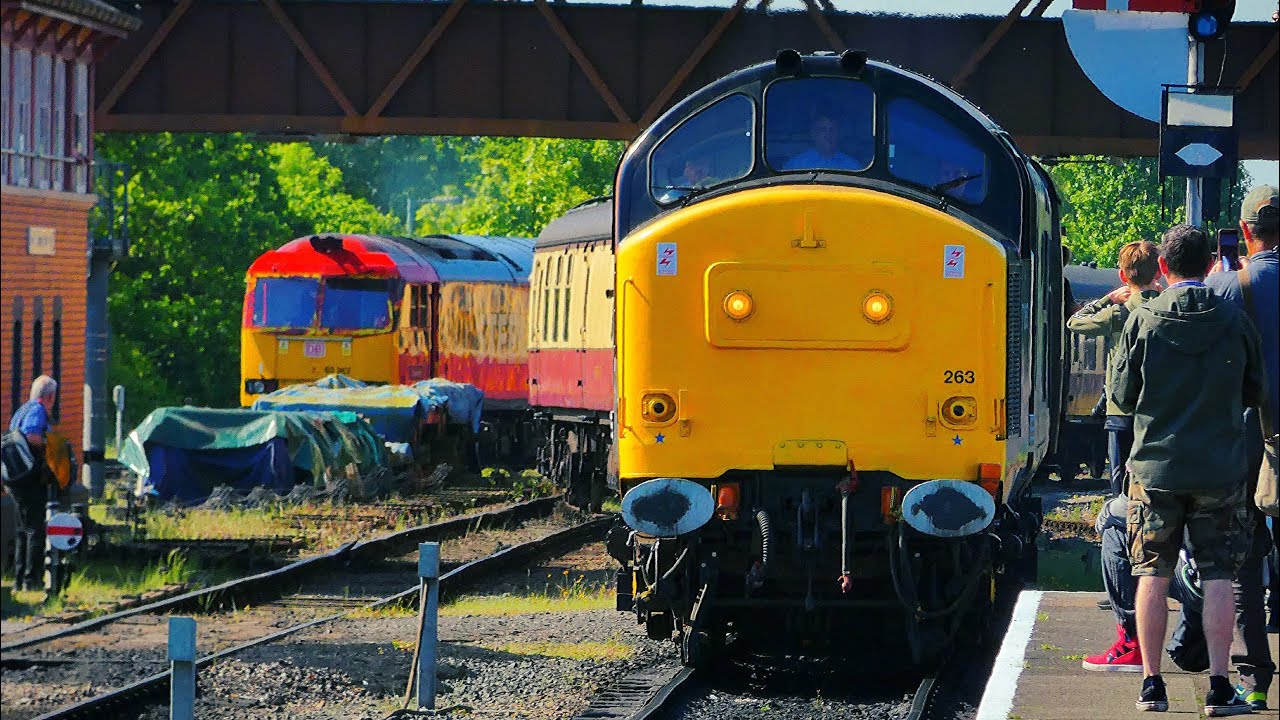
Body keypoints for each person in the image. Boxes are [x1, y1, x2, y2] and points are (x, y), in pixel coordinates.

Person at [1111, 223, 1265, 715]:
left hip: (1156, 469)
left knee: (1151, 571)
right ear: (1210, 265)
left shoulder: (1142, 320)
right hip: (1220, 468)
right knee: (1220, 573)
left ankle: (1152, 684)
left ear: (1163, 267)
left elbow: (1121, 394)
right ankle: (1220, 686)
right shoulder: (1235, 319)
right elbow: (1254, 391)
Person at [1208, 185, 1280, 711]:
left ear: (1246, 232)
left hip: (1254, 435)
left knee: (1246, 557)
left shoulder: (1232, 288)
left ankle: (1255, 680)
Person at [1068, 241, 1161, 498]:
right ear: (1159, 272)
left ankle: (1123, 530)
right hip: (1161, 411)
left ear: (1122, 275)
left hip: (1121, 409)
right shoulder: (1168, 308)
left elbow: (1074, 322)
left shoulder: (1117, 313)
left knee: (1120, 485)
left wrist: (1107, 299)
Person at [5, 375, 58, 592]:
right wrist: (50, 444)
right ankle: (32, 580)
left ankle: (19, 579)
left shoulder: (22, 410)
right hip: (29, 479)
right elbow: (32, 435)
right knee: (35, 529)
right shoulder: (37, 411)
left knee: (22, 529)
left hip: (14, 479)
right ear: (50, 397)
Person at [782, 113, 864, 171]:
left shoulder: (853, 166)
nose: (828, 134)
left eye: (832, 130)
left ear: (839, 134)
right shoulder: (795, 165)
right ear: (813, 134)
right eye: (823, 130)